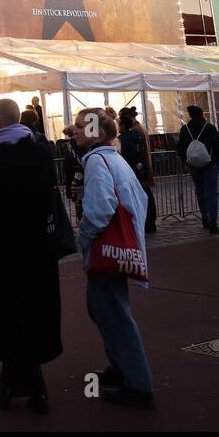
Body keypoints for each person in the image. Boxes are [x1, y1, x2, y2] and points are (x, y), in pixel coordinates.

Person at [0, 99, 62, 414]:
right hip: (37, 247)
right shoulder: (40, 153)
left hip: (2, 247)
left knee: (8, 311)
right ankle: (23, 385)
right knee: (34, 311)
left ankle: (21, 385)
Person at [74, 109, 154, 408]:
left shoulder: (97, 161)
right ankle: (121, 367)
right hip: (119, 245)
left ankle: (137, 380)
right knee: (103, 308)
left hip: (106, 248)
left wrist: (83, 238)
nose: (75, 131)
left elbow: (101, 207)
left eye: (81, 127)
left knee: (112, 313)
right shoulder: (113, 158)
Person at [177, 104, 219, 234]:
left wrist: (186, 162)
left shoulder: (185, 129)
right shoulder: (209, 128)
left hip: (193, 166)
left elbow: (180, 148)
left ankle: (204, 216)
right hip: (210, 165)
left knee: (200, 191)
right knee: (211, 193)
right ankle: (213, 221)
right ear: (201, 115)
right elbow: (218, 146)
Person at [117, 108, 158, 234]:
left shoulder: (132, 133)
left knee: (142, 196)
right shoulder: (138, 130)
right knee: (145, 195)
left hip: (136, 171)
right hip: (141, 168)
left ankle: (147, 222)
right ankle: (149, 222)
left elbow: (131, 154)